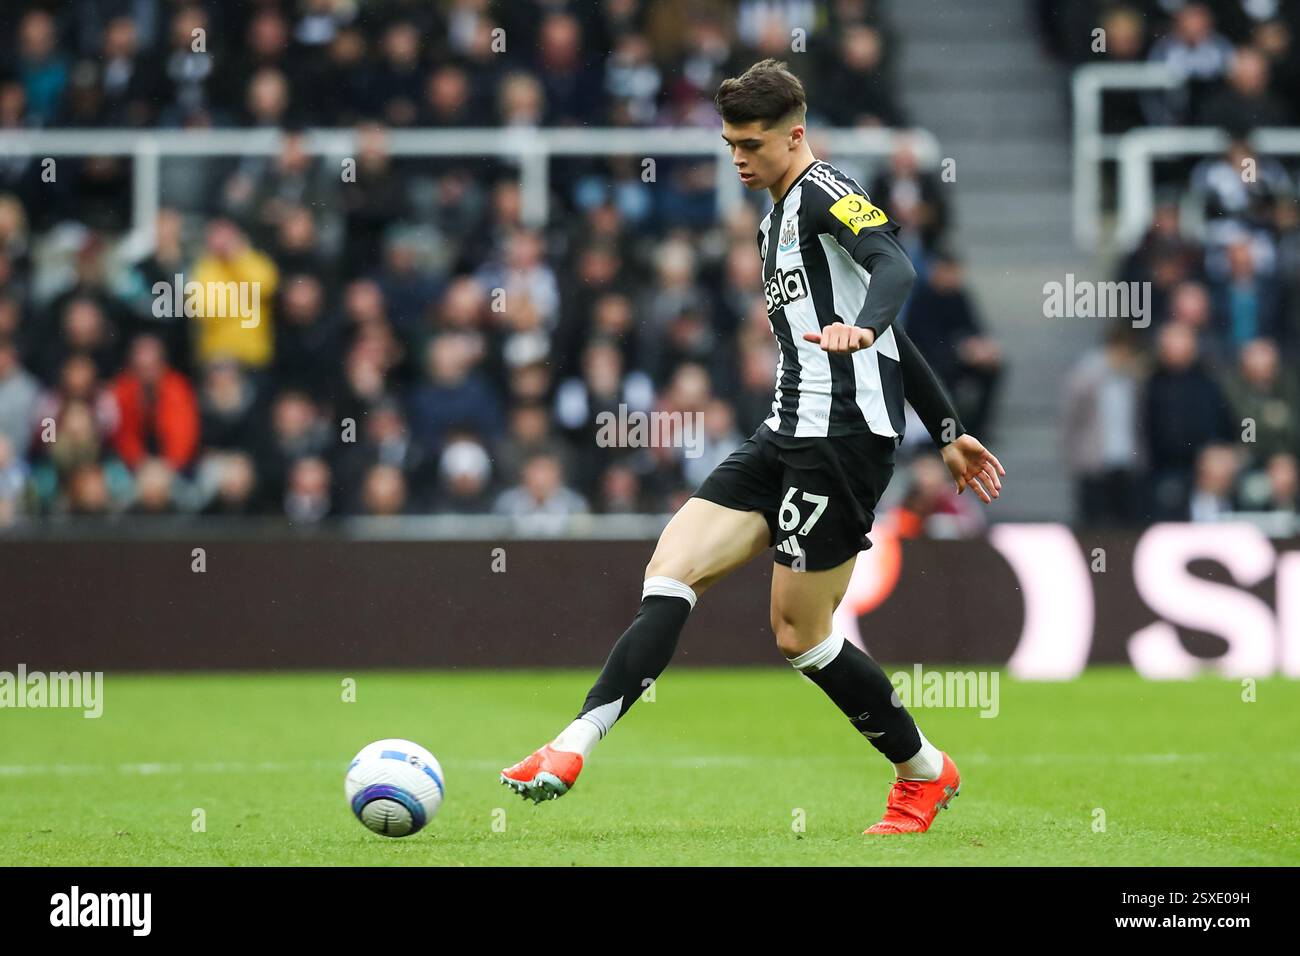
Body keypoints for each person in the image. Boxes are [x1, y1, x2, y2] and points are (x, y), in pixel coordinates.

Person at [501, 59, 1005, 836]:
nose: (737, 157)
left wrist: (870, 336)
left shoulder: (828, 195)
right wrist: (946, 430)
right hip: (784, 431)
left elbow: (895, 270)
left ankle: (923, 773)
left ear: (795, 135)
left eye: (751, 143)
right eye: (729, 143)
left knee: (800, 635)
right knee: (671, 567)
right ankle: (572, 744)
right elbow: (895, 336)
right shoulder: (773, 212)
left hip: (841, 443)